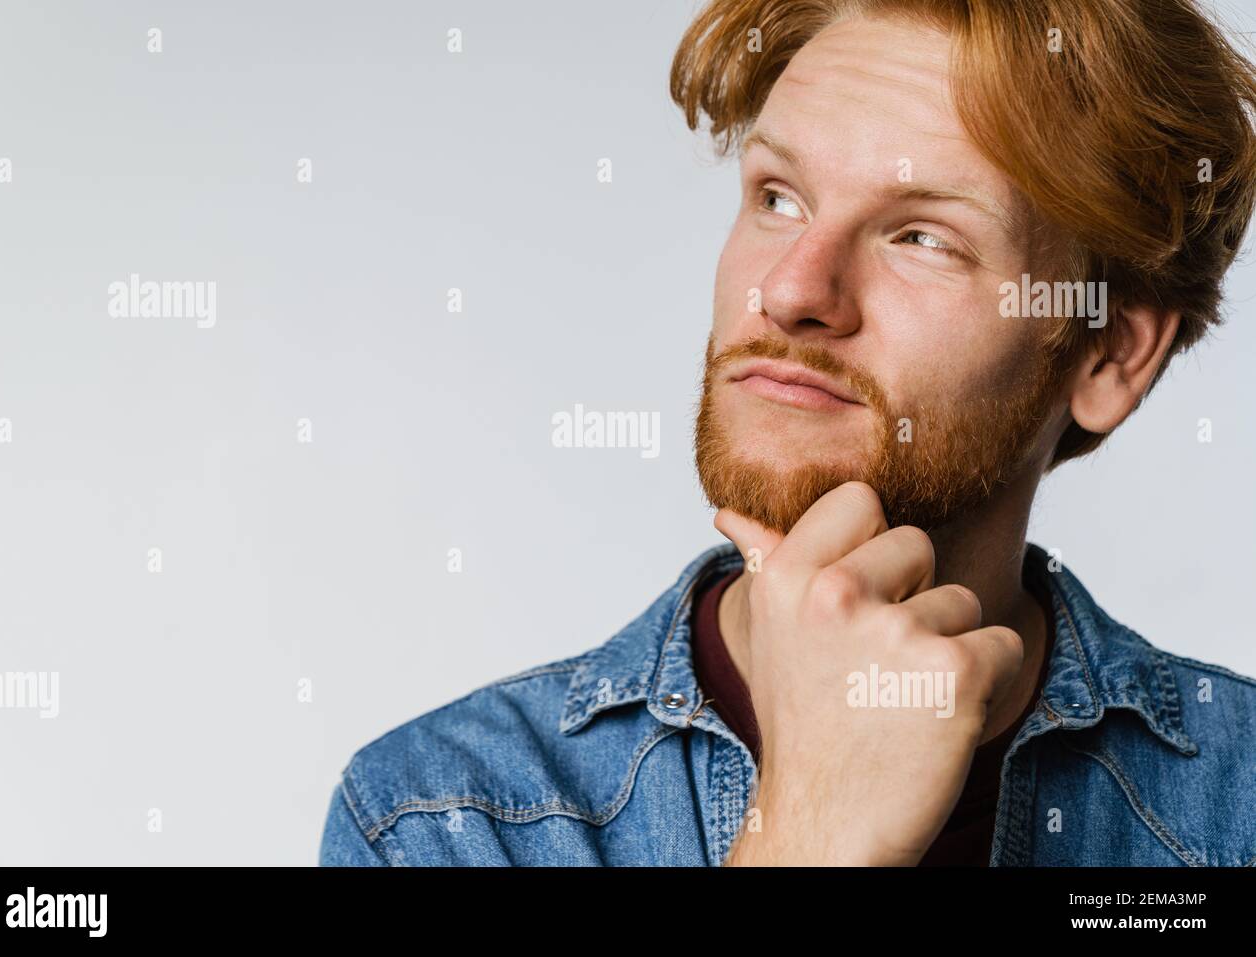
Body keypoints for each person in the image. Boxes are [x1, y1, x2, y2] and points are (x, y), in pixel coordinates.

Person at [321, 0, 1256, 866]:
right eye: (779, 197)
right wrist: (811, 828)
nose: (793, 289)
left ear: (1108, 355)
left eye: (923, 237)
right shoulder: (441, 819)